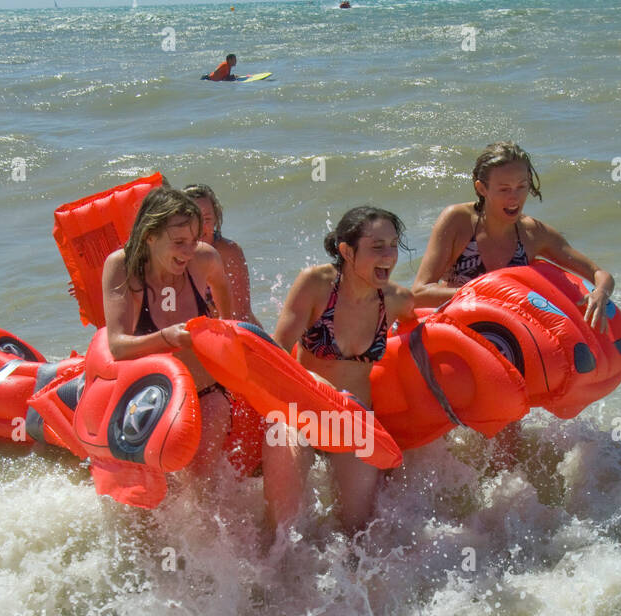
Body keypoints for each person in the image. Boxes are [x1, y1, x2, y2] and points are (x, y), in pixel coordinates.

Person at [263, 207, 416, 536]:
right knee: (281, 529)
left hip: (353, 420)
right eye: (377, 247)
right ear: (347, 251)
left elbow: (424, 321)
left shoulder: (395, 300)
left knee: (358, 530)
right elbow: (276, 352)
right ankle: (273, 581)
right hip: (299, 414)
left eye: (393, 245)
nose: (389, 255)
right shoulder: (316, 285)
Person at [100, 187, 240, 472]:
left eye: (193, 240)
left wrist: (227, 327)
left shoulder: (205, 259)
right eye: (179, 242)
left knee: (204, 483)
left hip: (207, 392)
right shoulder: (123, 267)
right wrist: (167, 338)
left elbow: (225, 294)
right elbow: (117, 346)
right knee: (165, 489)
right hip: (150, 399)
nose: (189, 251)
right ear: (150, 236)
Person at [412, 141, 614, 331]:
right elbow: (419, 293)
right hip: (459, 332)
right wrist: (491, 295)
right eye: (504, 189)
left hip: (511, 338)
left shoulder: (533, 234)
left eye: (521, 186)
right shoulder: (459, 221)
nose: (514, 198)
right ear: (481, 188)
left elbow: (599, 274)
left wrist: (601, 293)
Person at [184, 184, 257, 324]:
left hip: (234, 330)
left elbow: (241, 314)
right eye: (192, 218)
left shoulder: (228, 252)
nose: (200, 226)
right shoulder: (174, 257)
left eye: (207, 219)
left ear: (216, 219)